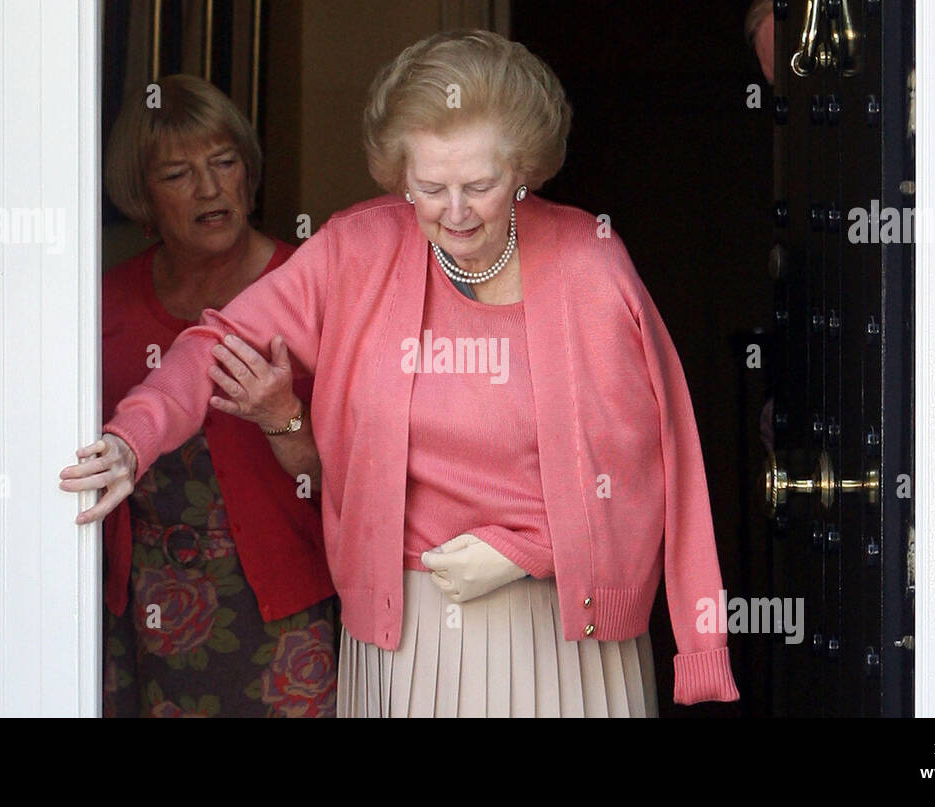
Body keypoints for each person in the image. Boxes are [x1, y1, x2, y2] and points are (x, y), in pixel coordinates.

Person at [62, 31, 740, 717]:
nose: (454, 211)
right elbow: (217, 340)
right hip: (402, 632)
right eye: (429, 186)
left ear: (525, 168)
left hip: (562, 626)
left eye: (480, 185)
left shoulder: (588, 263)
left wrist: (534, 552)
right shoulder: (358, 249)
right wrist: (133, 438)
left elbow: (655, 459)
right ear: (397, 174)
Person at [93, 74, 338, 717]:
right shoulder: (101, 304)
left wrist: (284, 419)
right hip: (144, 609)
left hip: (284, 605)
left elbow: (354, 477)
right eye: (177, 174)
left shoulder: (309, 285)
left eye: (224, 163)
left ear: (248, 175)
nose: (210, 188)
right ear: (142, 195)